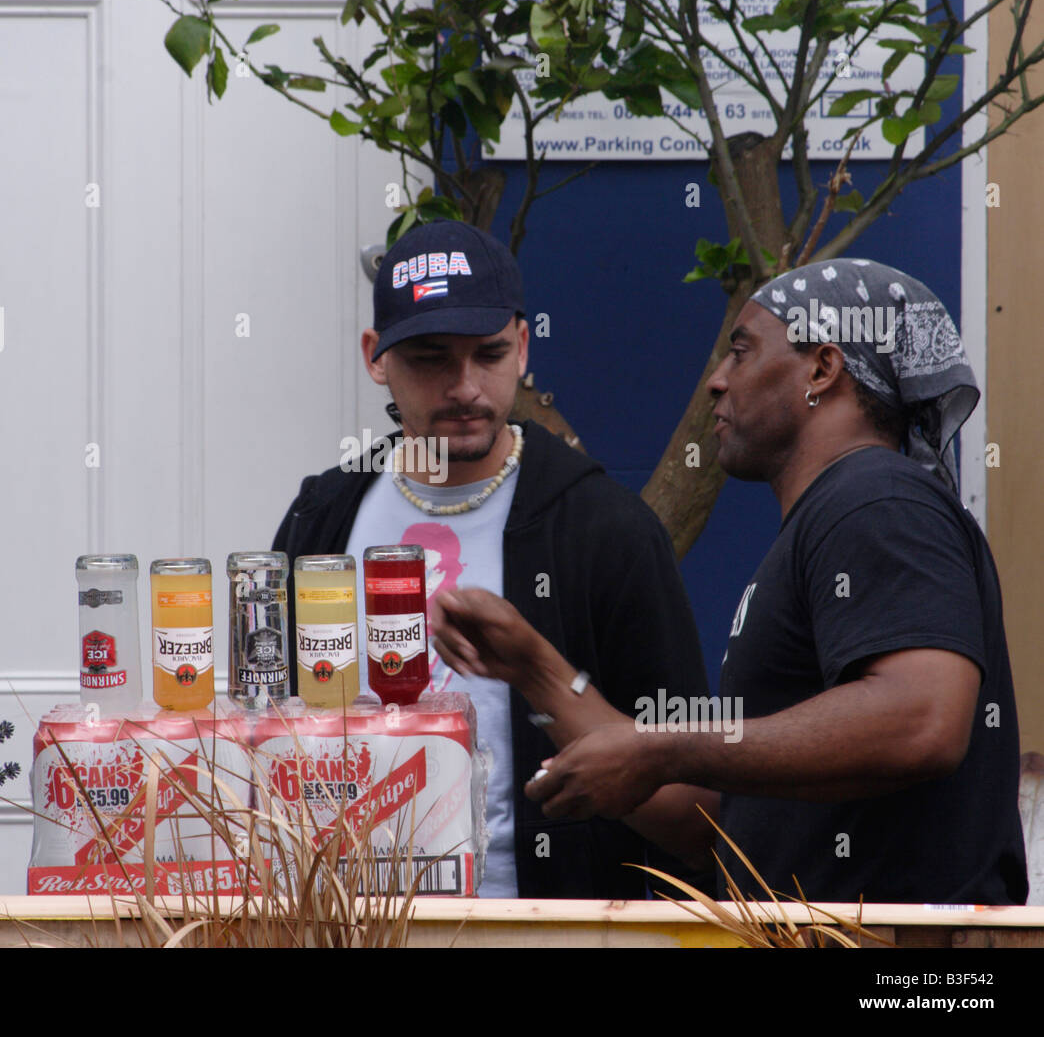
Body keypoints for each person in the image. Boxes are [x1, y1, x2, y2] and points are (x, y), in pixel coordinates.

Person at [432, 258, 1029, 905]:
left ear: (822, 370)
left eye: (741, 353)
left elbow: (922, 720)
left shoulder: (876, 499)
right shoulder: (834, 518)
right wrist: (538, 671)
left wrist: (665, 748)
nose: (716, 381)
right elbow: (708, 825)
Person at [272, 219, 709, 899]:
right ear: (375, 357)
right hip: (341, 918)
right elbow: (266, 734)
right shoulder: (322, 516)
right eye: (431, 358)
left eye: (490, 354)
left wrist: (549, 681)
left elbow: (695, 807)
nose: (466, 386)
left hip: (541, 925)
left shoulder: (604, 529)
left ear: (524, 347)